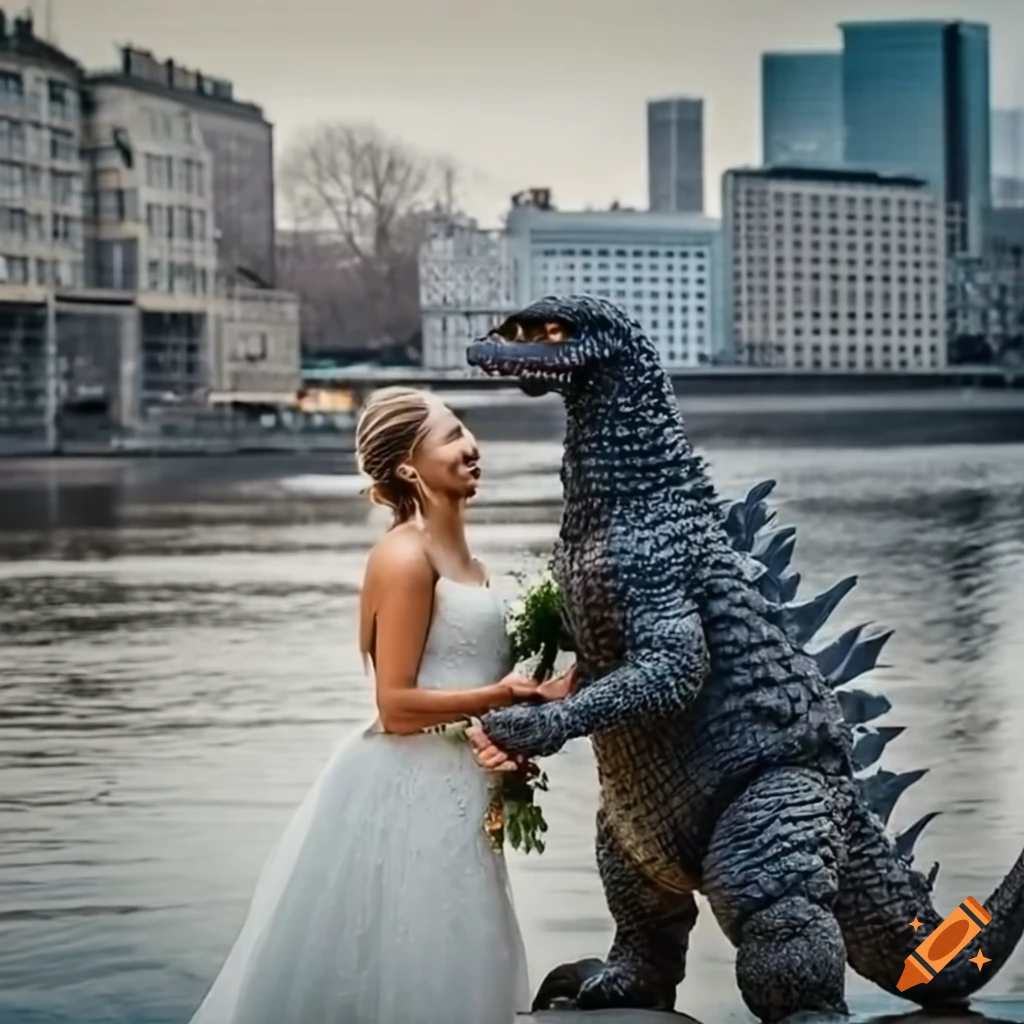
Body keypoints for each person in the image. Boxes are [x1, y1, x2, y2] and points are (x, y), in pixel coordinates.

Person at [187, 386, 571, 1024]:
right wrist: (502, 696)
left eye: (463, 428)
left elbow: (465, 676)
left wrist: (518, 725)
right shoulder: (403, 556)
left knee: (464, 951)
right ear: (408, 468)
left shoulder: (471, 564)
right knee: (415, 955)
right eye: (449, 436)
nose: (469, 445)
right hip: (410, 791)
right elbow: (395, 706)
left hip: (462, 788)